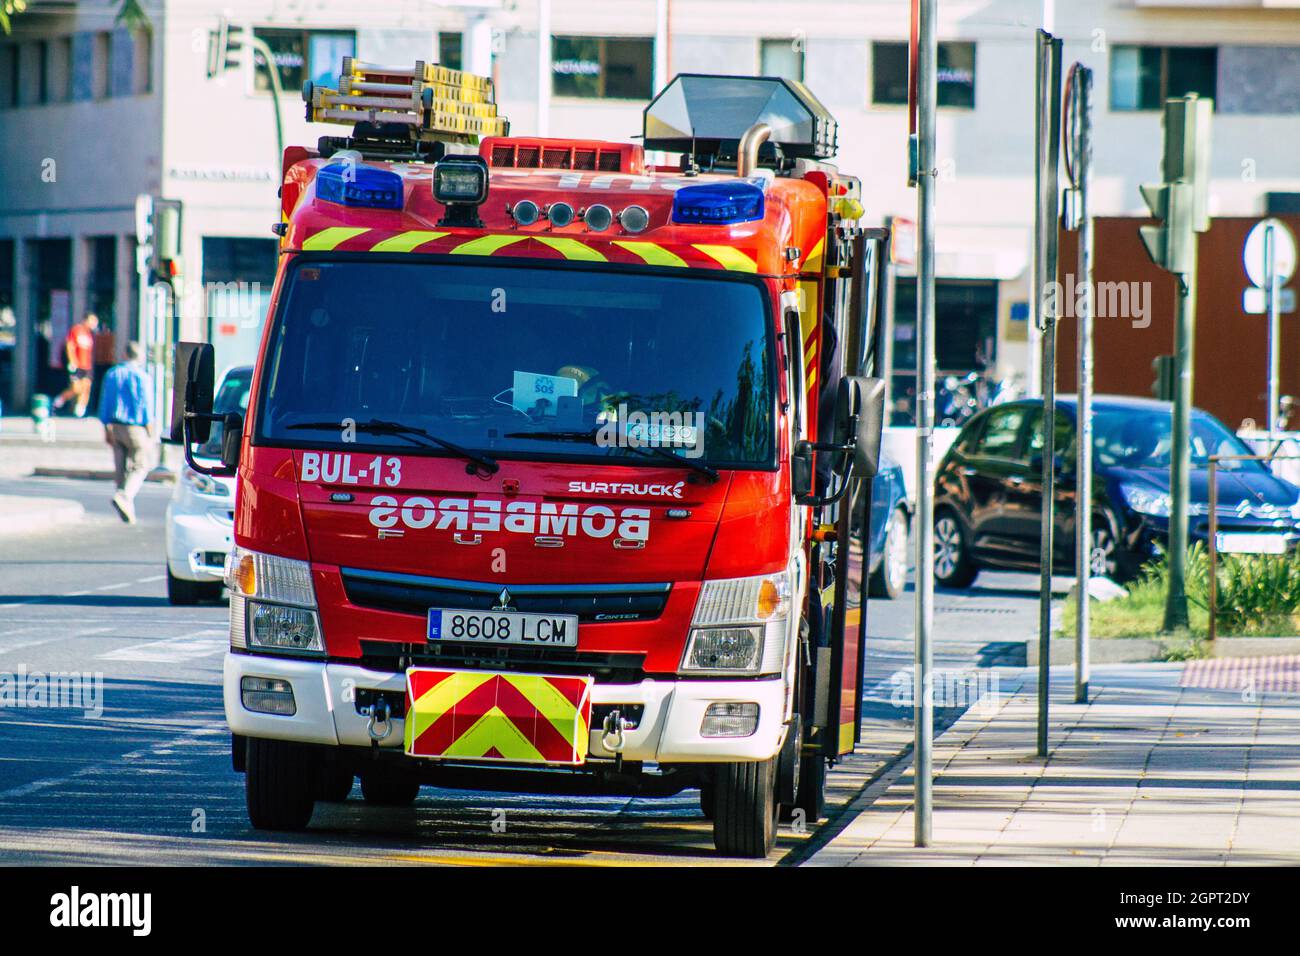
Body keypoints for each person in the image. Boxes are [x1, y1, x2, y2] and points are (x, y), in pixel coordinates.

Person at [97, 341, 154, 524]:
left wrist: (106, 427)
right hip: (134, 427)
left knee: (121, 470)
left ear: (124, 354)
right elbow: (145, 405)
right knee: (141, 464)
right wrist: (150, 430)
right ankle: (125, 496)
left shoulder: (112, 374)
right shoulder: (142, 376)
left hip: (114, 426)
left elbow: (104, 403)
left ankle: (127, 509)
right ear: (140, 356)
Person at [53, 311, 98, 417]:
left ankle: (80, 409)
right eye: (92, 321)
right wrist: (72, 360)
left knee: (86, 386)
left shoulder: (90, 334)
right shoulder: (76, 330)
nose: (94, 324)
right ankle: (58, 401)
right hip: (77, 365)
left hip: (86, 366)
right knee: (76, 388)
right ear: (86, 320)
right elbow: (70, 346)